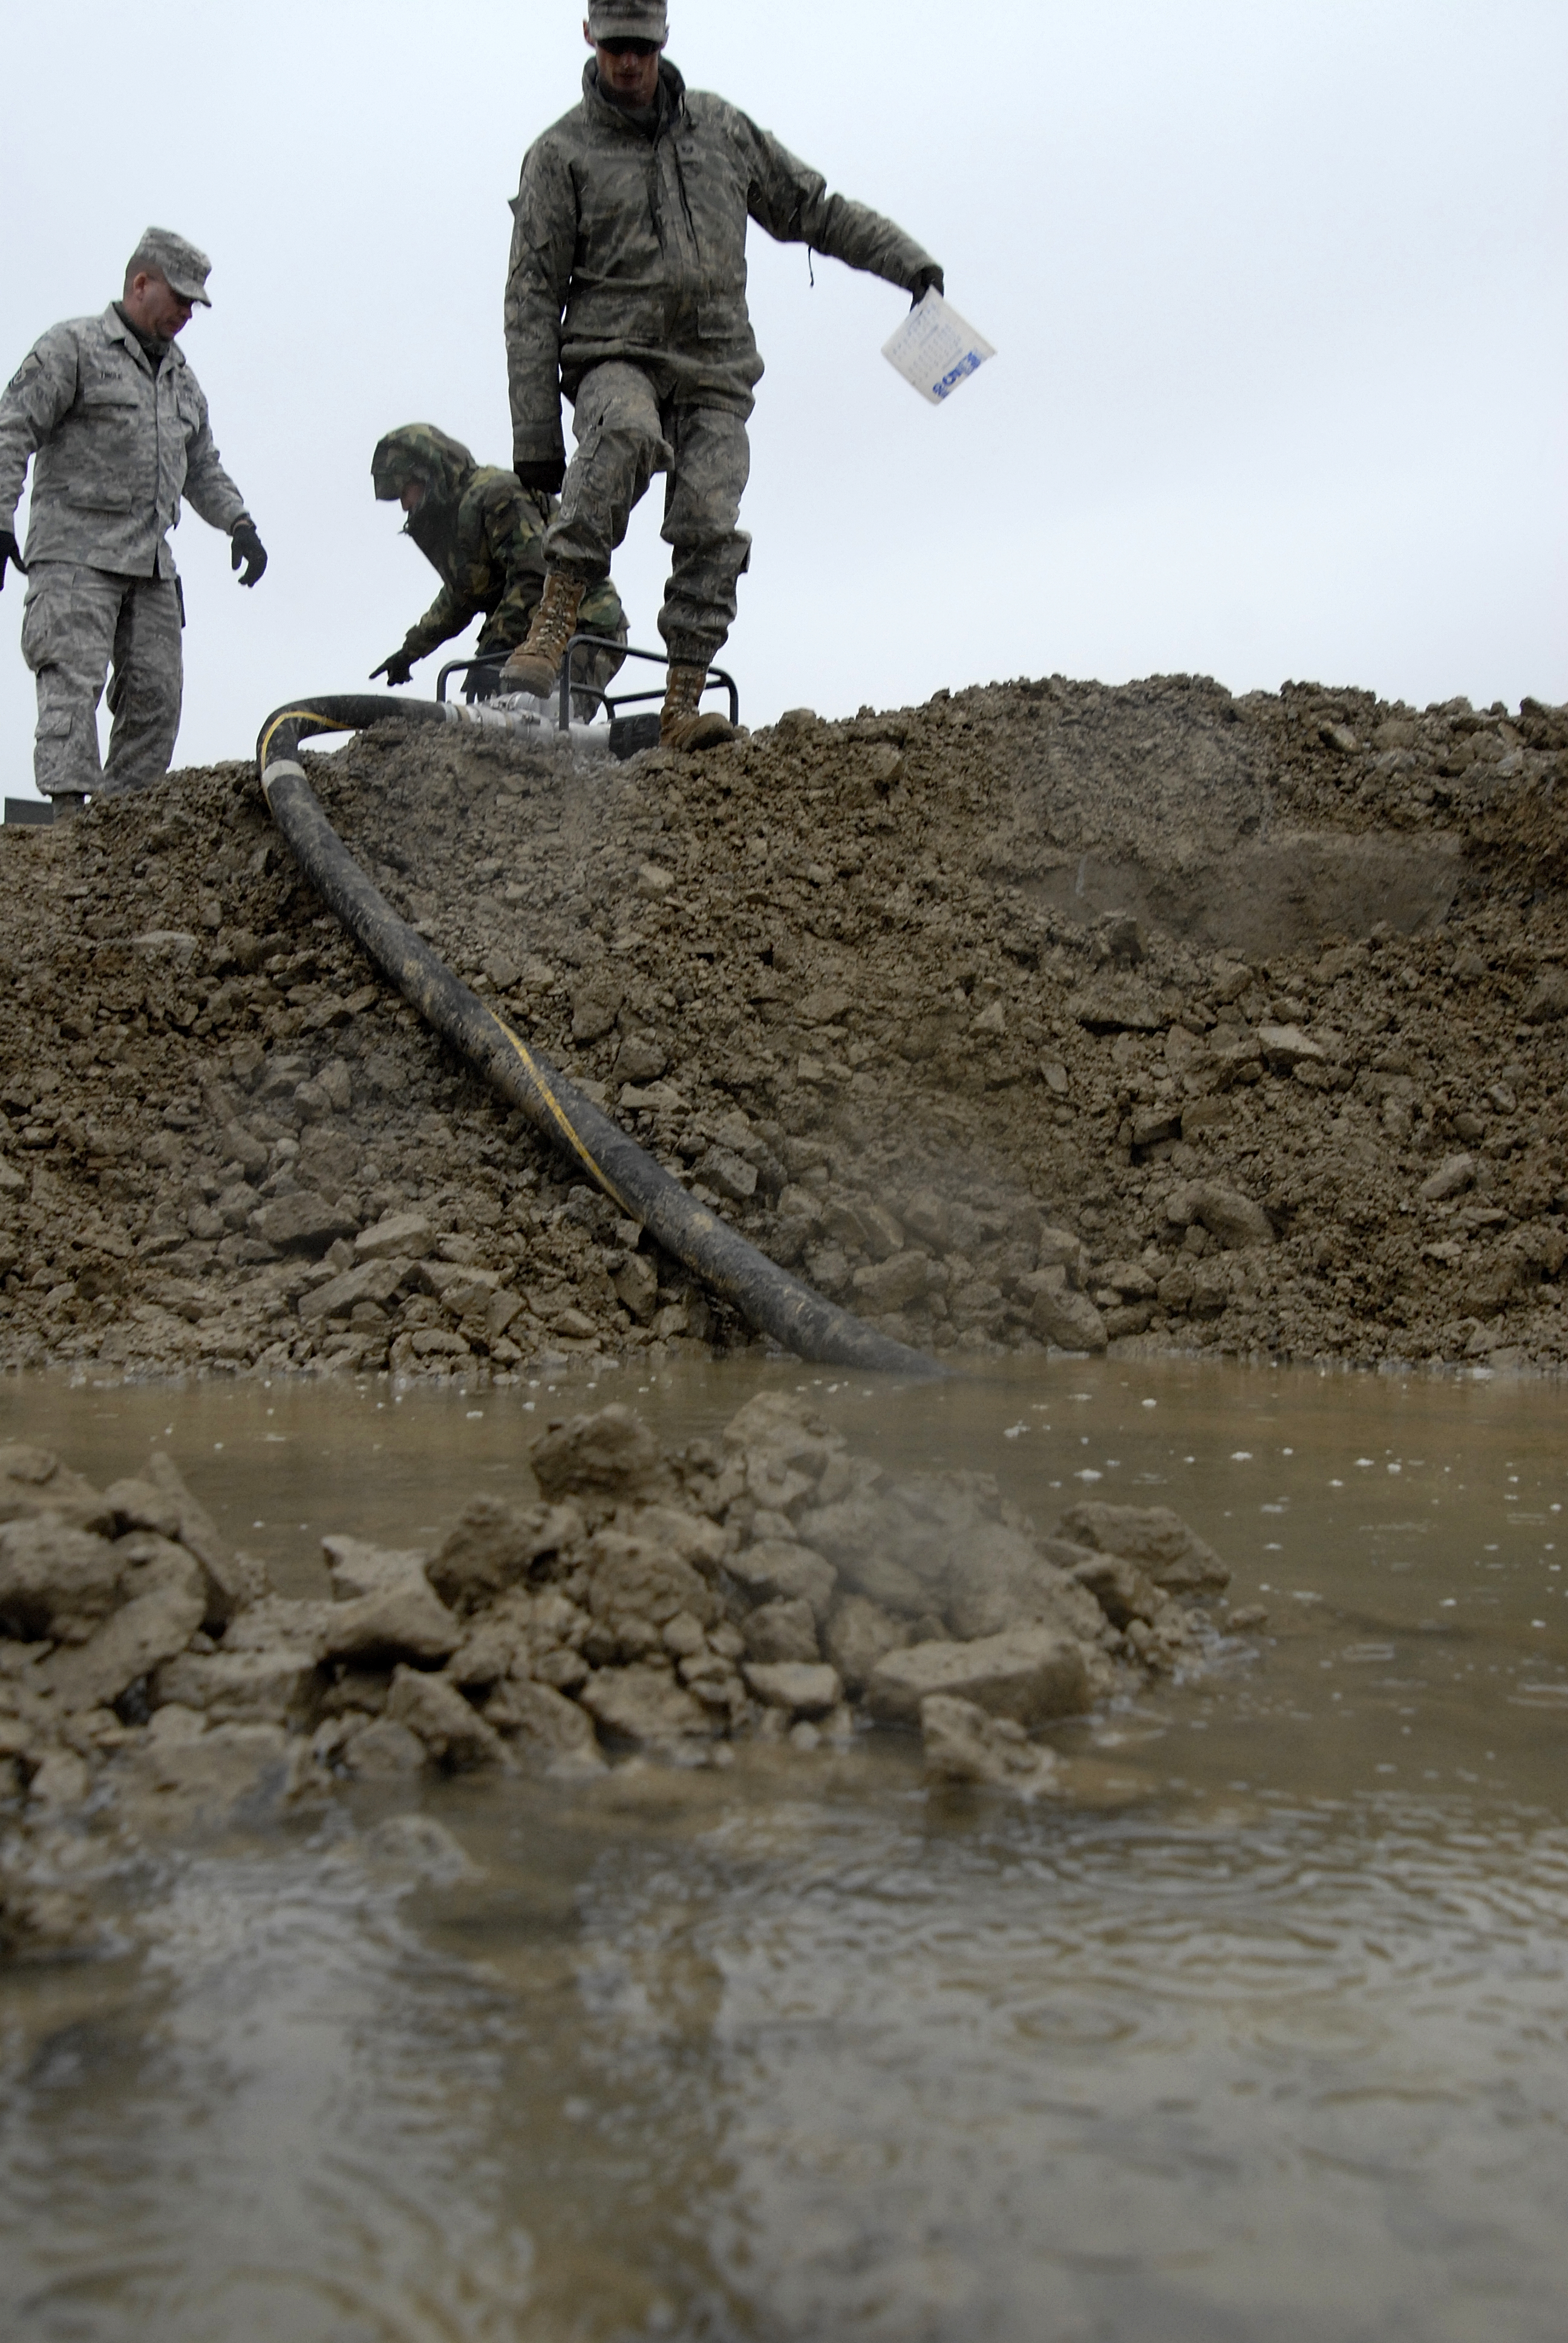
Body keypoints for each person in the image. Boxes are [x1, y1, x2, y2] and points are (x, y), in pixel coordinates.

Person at [501, 2, 942, 750]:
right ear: (589, 40)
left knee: (710, 521)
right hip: (617, 356)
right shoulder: (560, 154)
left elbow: (813, 209)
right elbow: (532, 293)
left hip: (715, 368)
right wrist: (535, 429)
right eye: (616, 48)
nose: (630, 63)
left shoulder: (721, 131)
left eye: (642, 46)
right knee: (626, 434)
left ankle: (682, 702)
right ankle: (555, 619)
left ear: (664, 40)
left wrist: (908, 264)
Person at [0, 228, 266, 816]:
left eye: (194, 305)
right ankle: (70, 823)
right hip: (75, 554)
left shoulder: (182, 380)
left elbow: (203, 467)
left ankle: (122, 826)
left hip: (150, 564)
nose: (185, 314)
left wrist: (239, 523)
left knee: (156, 695)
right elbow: (13, 426)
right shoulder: (74, 346)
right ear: (140, 283)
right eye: (179, 298)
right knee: (71, 686)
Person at [368, 421, 627, 718]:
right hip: (528, 638)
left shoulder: (496, 494)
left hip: (582, 623)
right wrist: (410, 652)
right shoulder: (459, 517)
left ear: (428, 473)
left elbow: (533, 575)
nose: (404, 505)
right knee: (506, 719)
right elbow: (460, 597)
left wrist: (491, 652)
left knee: (548, 719)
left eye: (405, 490)